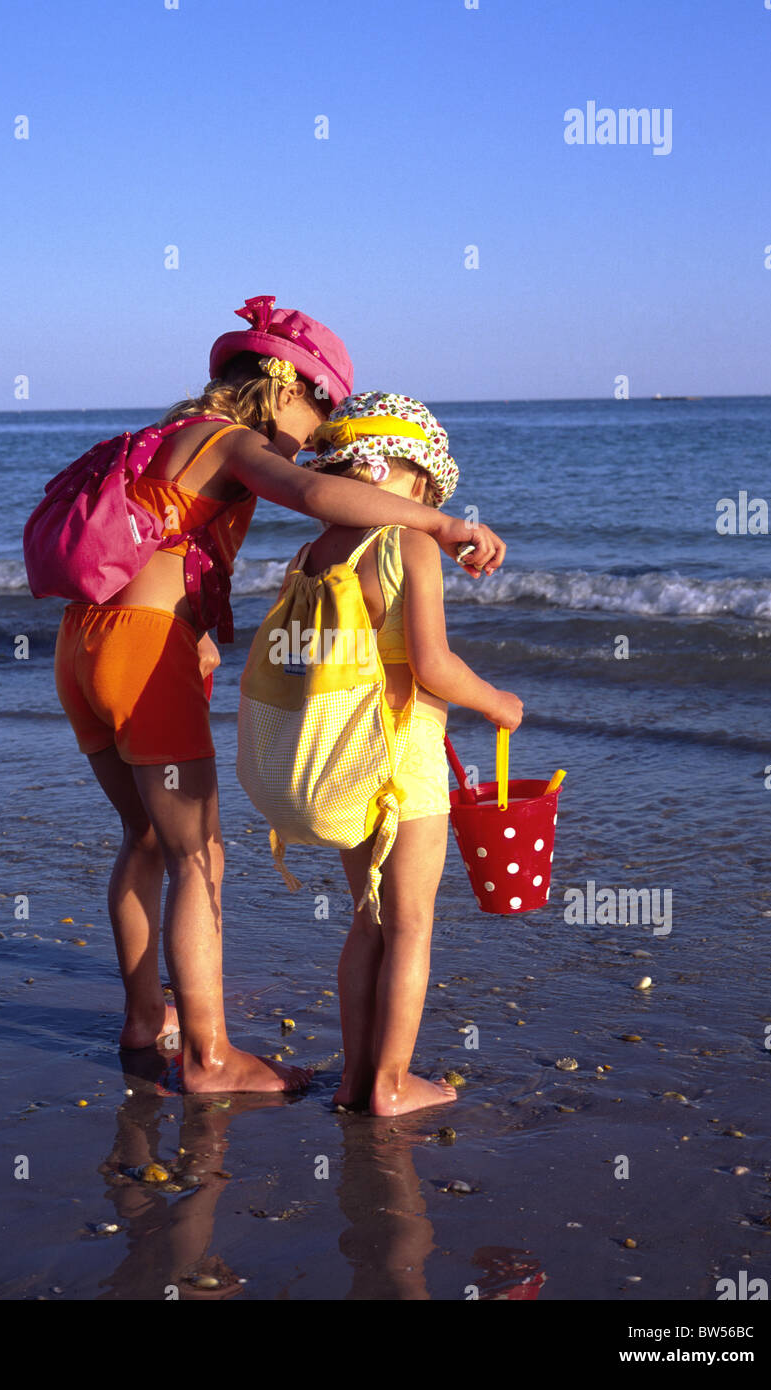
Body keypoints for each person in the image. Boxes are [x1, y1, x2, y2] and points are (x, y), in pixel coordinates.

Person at [53, 298, 508, 1094]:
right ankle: (210, 1058)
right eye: (322, 403)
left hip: (83, 645)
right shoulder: (229, 441)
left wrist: (193, 628)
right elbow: (321, 497)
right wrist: (439, 526)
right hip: (138, 650)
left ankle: (142, 1018)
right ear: (281, 382)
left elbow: (158, 548)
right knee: (200, 856)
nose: (318, 429)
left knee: (146, 839)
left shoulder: (163, 442)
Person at [293, 392, 523, 1115]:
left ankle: (357, 1079)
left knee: (370, 921)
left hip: (337, 754)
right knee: (413, 923)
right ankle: (392, 1083)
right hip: (405, 761)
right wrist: (496, 703)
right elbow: (432, 664)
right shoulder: (410, 544)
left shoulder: (314, 553)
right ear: (417, 481)